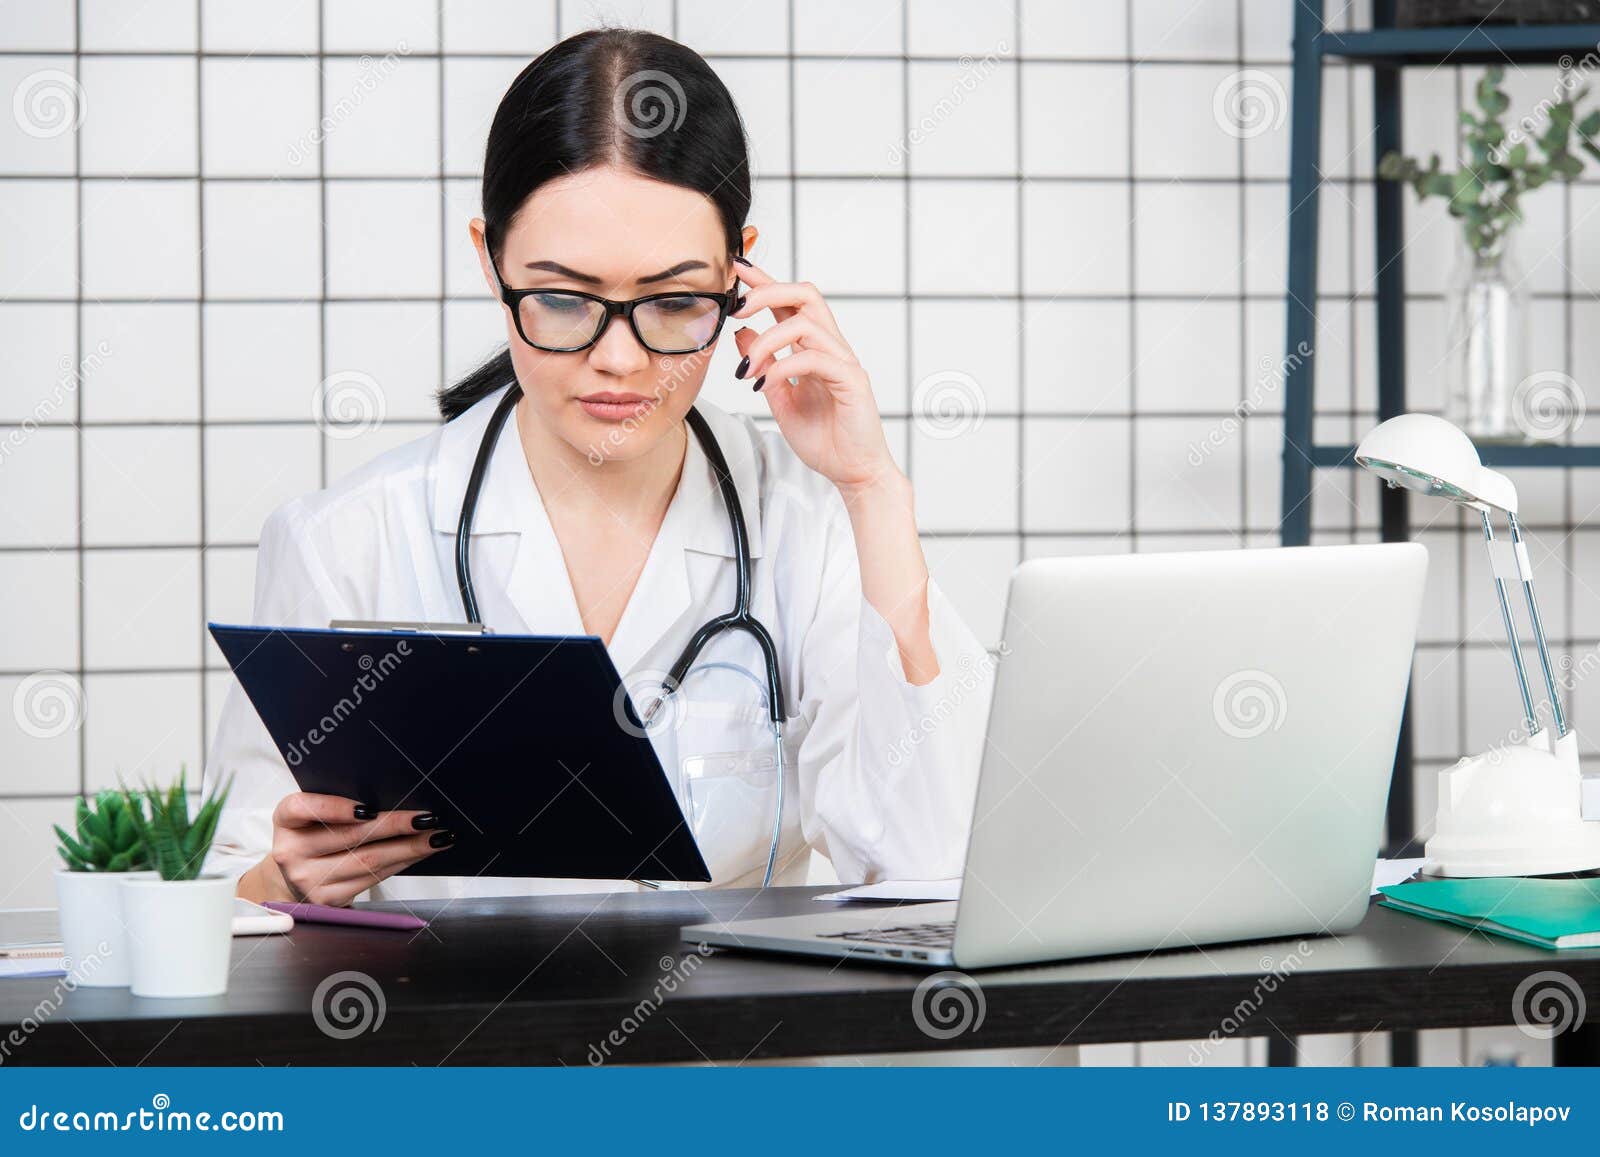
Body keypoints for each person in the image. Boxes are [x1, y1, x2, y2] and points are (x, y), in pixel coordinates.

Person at [205, 27, 994, 906]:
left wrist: (872, 489)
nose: (619, 359)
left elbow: (935, 875)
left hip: (732, 1043)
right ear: (489, 257)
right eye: (563, 298)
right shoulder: (347, 542)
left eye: (673, 300)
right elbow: (225, 904)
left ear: (740, 273)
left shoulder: (812, 526)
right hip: (459, 1043)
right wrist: (288, 880)